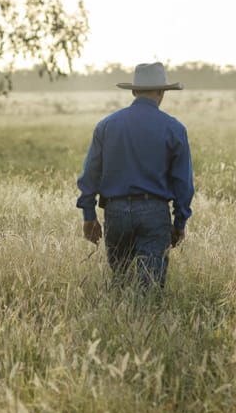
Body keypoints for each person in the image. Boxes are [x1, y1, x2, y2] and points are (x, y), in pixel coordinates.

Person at [77, 62, 194, 288]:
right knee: (149, 287)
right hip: (154, 212)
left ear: (133, 91)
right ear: (162, 92)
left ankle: (121, 320)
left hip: (115, 211)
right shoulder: (174, 128)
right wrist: (180, 222)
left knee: (121, 281)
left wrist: (89, 216)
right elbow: (183, 183)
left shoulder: (106, 125)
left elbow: (90, 174)